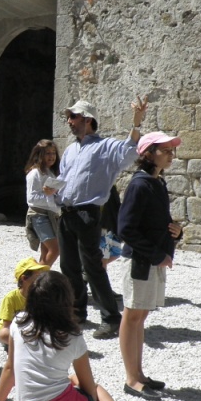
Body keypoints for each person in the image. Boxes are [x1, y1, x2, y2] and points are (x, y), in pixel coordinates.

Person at [0, 271, 169, 401]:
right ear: (66, 302)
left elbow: (10, 369)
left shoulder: (19, 322)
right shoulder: (72, 337)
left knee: (69, 379)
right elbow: (88, 385)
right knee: (89, 386)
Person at [57, 96, 147, 339]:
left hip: (87, 213)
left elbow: (129, 151)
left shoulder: (105, 147)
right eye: (68, 117)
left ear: (88, 120)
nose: (69, 121)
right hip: (66, 213)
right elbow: (63, 179)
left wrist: (136, 124)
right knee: (69, 267)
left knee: (93, 267)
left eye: (73, 116)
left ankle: (111, 318)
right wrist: (52, 191)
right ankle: (77, 313)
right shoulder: (71, 150)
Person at [117, 132, 183, 401]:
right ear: (148, 154)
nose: (170, 154)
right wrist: (157, 255)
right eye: (165, 150)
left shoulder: (157, 183)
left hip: (153, 260)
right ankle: (131, 379)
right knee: (132, 316)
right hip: (141, 261)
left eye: (171, 150)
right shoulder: (139, 185)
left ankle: (139, 374)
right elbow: (126, 229)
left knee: (140, 317)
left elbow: (160, 222)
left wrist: (177, 232)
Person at [0, 258, 49, 352]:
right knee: (3, 334)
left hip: (31, 330)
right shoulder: (11, 298)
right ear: (24, 278)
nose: (41, 279)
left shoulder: (40, 296)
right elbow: (6, 326)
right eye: (37, 276)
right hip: (15, 330)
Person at [24, 139, 61, 267]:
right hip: (39, 216)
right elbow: (31, 198)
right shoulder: (35, 174)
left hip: (51, 216)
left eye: (53, 153)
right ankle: (37, 278)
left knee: (46, 252)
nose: (51, 156)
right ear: (40, 155)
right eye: (47, 153)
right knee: (55, 250)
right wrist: (48, 194)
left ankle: (40, 282)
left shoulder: (51, 173)